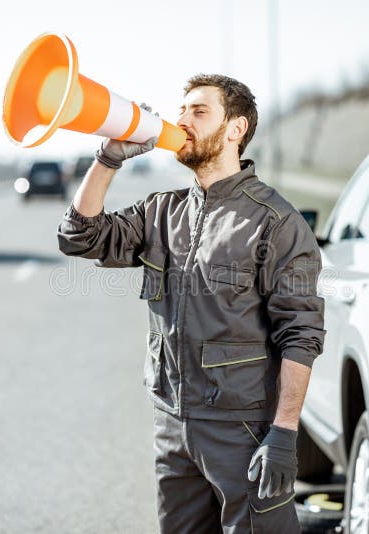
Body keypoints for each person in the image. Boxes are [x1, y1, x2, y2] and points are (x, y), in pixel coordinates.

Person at [57, 74, 325, 533]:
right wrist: (107, 157)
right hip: (172, 423)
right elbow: (80, 236)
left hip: (241, 429)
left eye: (199, 111)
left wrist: (282, 433)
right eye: (181, 111)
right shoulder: (162, 211)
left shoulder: (276, 222)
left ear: (236, 129)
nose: (182, 121)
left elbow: (301, 335)